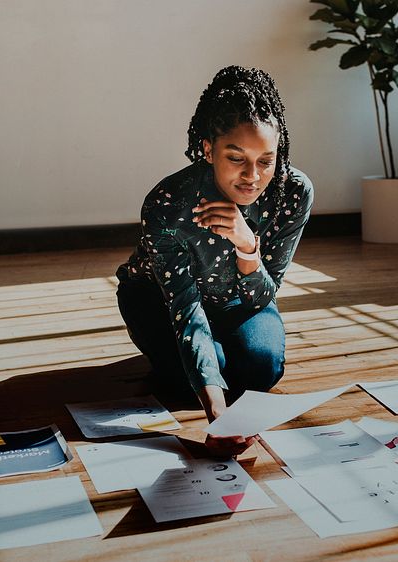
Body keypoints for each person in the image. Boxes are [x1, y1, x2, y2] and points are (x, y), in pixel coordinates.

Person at [116, 66, 313, 457]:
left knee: (262, 370)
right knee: (187, 384)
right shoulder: (167, 204)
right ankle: (197, 355)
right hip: (158, 298)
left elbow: (263, 296)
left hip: (235, 297)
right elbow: (185, 307)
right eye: (236, 158)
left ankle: (217, 350)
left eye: (266, 160)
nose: (252, 176)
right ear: (208, 150)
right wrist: (218, 413)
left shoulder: (293, 192)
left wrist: (246, 244)